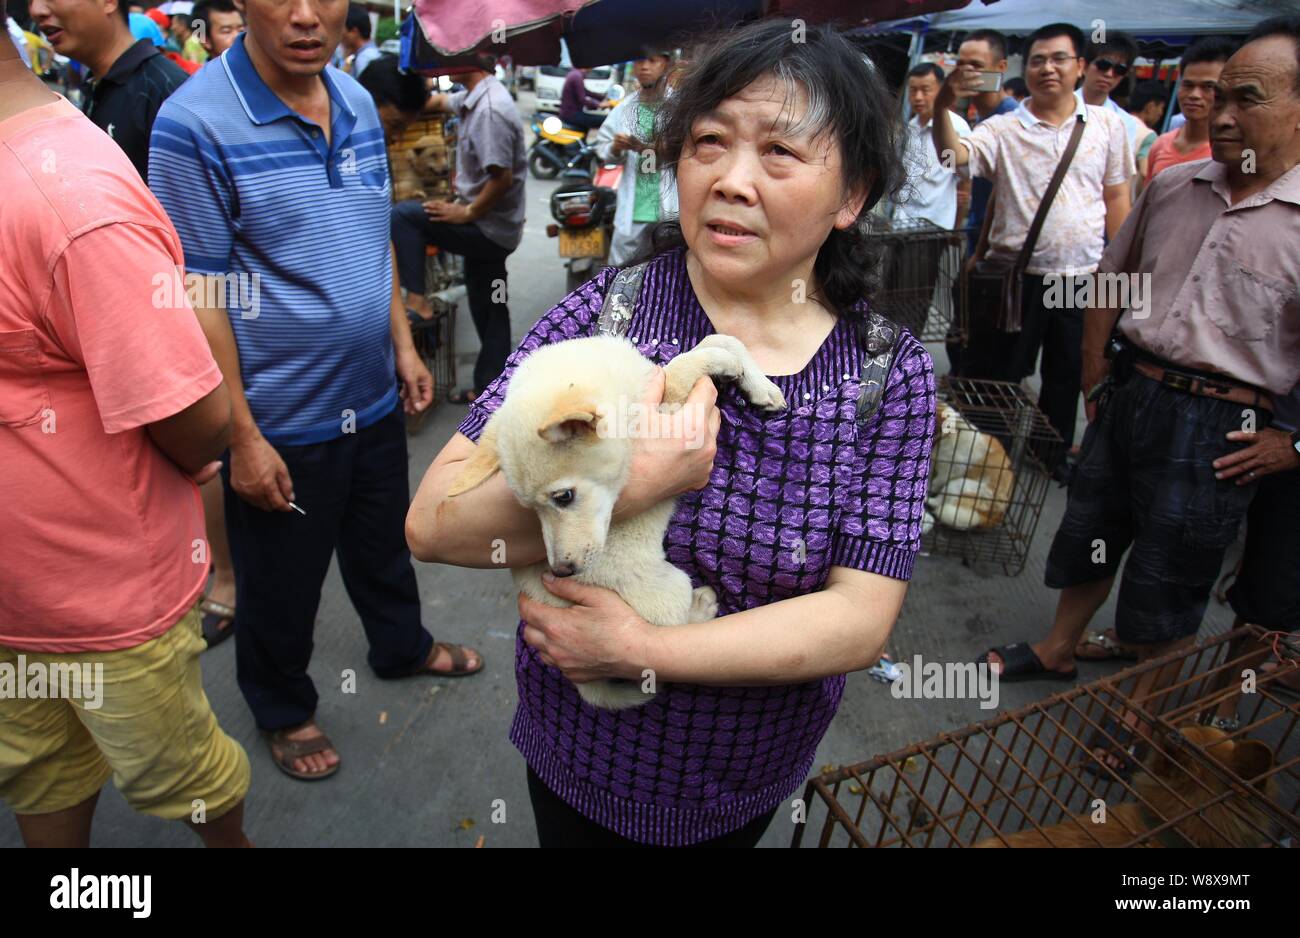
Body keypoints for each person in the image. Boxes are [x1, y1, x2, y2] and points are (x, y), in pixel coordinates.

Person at [408, 18, 935, 848]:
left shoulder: (884, 375)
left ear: (853, 195)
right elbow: (434, 522)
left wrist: (645, 646)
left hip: (745, 773)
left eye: (781, 153)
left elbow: (859, 619)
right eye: (709, 142)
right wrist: (637, 479)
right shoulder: (605, 316)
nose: (730, 179)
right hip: (579, 757)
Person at [149, 0, 483, 782]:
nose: (306, 16)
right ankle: (282, 705)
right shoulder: (191, 123)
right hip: (280, 417)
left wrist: (402, 342)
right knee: (281, 581)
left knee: (382, 545)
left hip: (368, 394)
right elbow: (201, 292)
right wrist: (240, 435)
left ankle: (400, 646)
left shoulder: (359, 99)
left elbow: (374, 239)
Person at [978, 18, 1300, 771]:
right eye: (1214, 96)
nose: (1217, 114)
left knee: (1171, 571)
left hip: (1224, 425)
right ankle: (1059, 647)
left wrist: (1294, 441)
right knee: (1092, 525)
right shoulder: (1176, 185)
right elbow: (1113, 280)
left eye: (1244, 99)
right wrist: (1096, 369)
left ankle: (1137, 713)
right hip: (1131, 390)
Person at [0, 33, 250, 847]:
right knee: (39, 771)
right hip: (18, 598)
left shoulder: (72, 202)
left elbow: (192, 417)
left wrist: (224, 445)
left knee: (183, 776)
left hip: (103, 600)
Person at [934, 22, 1133, 457]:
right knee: (1001, 374)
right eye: (1038, 60)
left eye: (1059, 58)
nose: (1047, 68)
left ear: (1079, 66)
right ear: (1024, 69)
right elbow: (954, 157)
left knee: (1067, 371)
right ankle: (991, 458)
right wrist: (945, 104)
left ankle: (1050, 457)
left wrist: (1119, 274)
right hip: (1016, 278)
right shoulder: (1004, 128)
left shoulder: (1106, 126)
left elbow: (1117, 195)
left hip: (1079, 276)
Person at [391, 54, 527, 404]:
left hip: (486, 229)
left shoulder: (489, 110)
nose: (444, 60)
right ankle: (491, 387)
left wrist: (465, 213)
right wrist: (403, 101)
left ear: (472, 60)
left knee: (405, 217)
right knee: (490, 306)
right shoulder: (474, 97)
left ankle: (418, 301)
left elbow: (502, 178)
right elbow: (438, 101)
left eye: (452, 54)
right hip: (497, 229)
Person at [30, 0, 188, 181]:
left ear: (108, 2)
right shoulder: (95, 84)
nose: (37, 10)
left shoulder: (165, 90)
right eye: (30, 1)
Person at [593, 48, 678, 266]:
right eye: (639, 61)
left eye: (652, 60)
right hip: (634, 208)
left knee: (667, 271)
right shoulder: (623, 109)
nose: (644, 67)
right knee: (622, 271)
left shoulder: (679, 107)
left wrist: (645, 147)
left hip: (668, 207)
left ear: (666, 64)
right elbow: (603, 149)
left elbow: (686, 150)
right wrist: (616, 148)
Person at [953, 29, 1017, 256]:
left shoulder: (1011, 119)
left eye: (976, 65)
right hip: (978, 233)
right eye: (961, 64)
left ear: (1001, 68)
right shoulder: (983, 117)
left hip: (1000, 247)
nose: (967, 72)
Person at [1146, 37, 1235, 183]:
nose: (1194, 95)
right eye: (1188, 85)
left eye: (1208, 87)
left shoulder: (1232, 152)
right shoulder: (1160, 144)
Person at [897, 62, 971, 229]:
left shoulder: (955, 128)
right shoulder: (909, 128)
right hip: (902, 223)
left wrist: (956, 228)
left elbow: (963, 181)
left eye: (926, 90)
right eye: (913, 90)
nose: (918, 97)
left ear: (941, 90)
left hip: (935, 226)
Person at [1077, 31, 1144, 168]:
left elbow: (1118, 171)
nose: (1109, 74)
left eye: (1119, 69)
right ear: (1083, 66)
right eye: (1103, 65)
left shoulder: (1124, 122)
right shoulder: (1055, 107)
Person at [559, 64, 609, 133]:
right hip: (572, 115)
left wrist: (603, 97)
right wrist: (599, 104)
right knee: (605, 120)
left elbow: (585, 92)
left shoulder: (575, 73)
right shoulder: (577, 76)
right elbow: (582, 99)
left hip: (570, 113)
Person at [341, 2, 377, 77]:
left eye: (341, 29)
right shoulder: (371, 54)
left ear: (354, 32)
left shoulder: (364, 59)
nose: (339, 35)